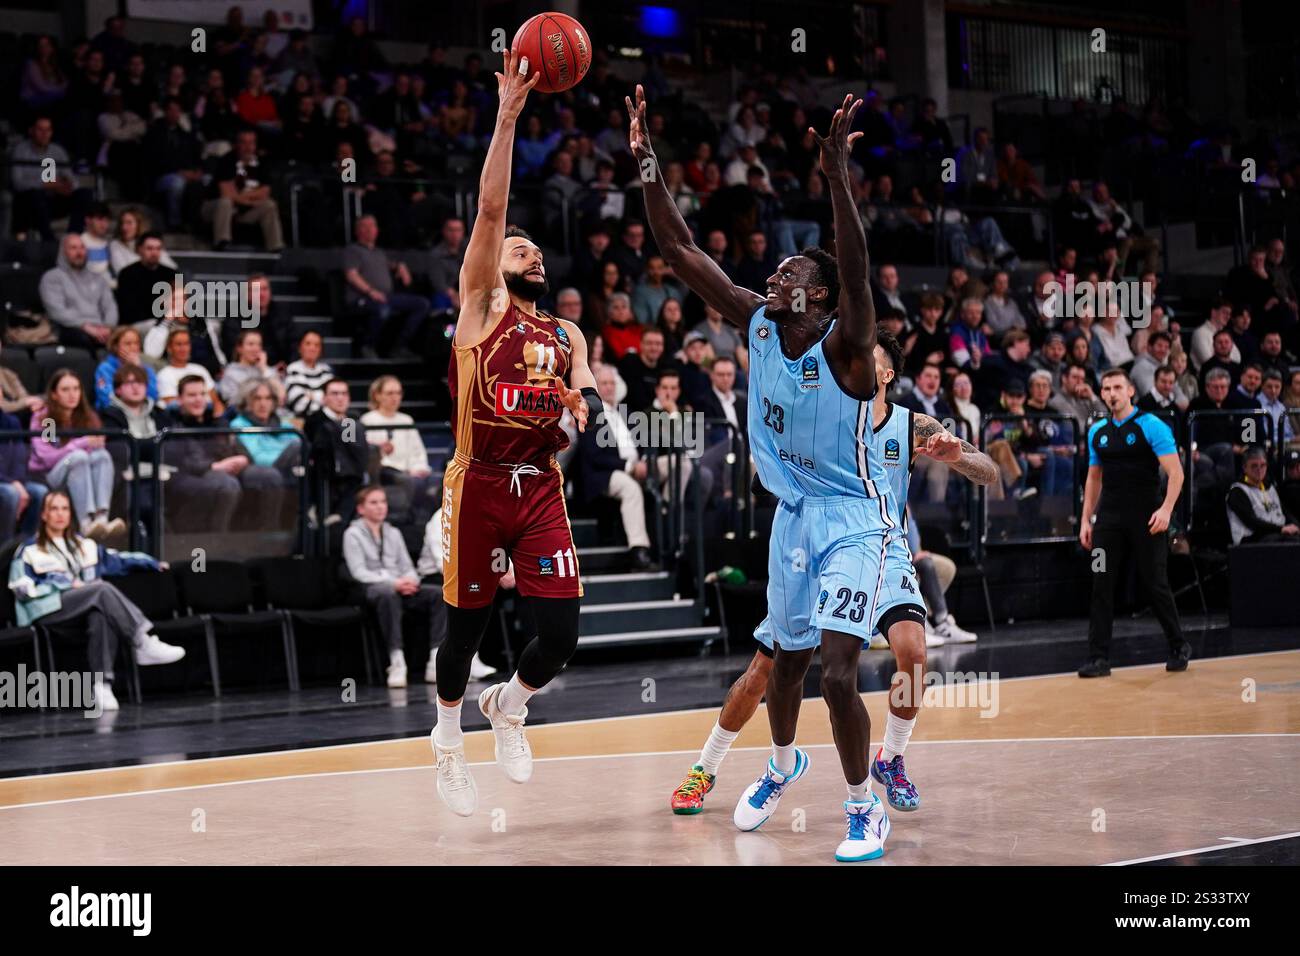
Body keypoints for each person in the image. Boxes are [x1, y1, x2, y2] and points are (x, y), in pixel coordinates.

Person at [635, 85, 903, 861]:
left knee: (840, 674)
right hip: (792, 519)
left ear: (815, 295)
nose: (774, 273)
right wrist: (647, 158)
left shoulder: (847, 348)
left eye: (788, 271)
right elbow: (681, 252)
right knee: (783, 669)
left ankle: (863, 810)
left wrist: (836, 178)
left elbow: (855, 277)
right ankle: (783, 763)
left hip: (855, 517)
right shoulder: (757, 318)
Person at [669, 333, 995, 815]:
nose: (854, 361)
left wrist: (959, 457)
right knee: (766, 669)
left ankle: (893, 756)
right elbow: (764, 478)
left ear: (884, 375)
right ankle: (707, 766)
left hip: (880, 547)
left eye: (868, 357)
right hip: (815, 550)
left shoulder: (911, 424)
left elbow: (988, 469)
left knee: (914, 651)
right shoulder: (822, 417)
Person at [430, 51, 599, 819]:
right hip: (477, 481)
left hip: (539, 487)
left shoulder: (568, 332)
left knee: (559, 635)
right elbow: (492, 213)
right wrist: (507, 115)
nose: (528, 248)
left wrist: (582, 407)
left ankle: (512, 705)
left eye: (536, 247)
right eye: (515, 246)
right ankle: (445, 739)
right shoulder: (481, 307)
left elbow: (586, 405)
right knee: (465, 627)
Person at [8, 491, 185, 712]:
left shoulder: (85, 546)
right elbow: (21, 589)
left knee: (100, 613)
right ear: (44, 515)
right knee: (100, 591)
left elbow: (118, 560)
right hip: (47, 610)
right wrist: (65, 586)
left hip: (80, 611)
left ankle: (102, 685)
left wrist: (151, 562)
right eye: (54, 509)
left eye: (64, 509)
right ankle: (141, 641)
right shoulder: (29, 550)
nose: (60, 514)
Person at [1079, 369, 1190, 678]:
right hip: (1109, 520)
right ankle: (1098, 658)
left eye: (1118, 387)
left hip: (1147, 516)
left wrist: (1167, 510)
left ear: (1130, 391)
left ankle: (1178, 645)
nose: (1112, 393)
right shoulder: (1097, 431)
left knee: (1155, 582)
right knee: (1101, 582)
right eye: (1107, 388)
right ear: (1101, 394)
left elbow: (1176, 473)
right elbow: (1093, 477)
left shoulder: (1151, 425)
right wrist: (1086, 519)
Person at [343, 485, 443, 688]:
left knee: (439, 594)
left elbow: (407, 566)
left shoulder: (393, 532)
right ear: (361, 509)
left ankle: (437, 660)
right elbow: (359, 572)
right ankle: (396, 661)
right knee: (388, 594)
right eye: (374, 502)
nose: (380, 507)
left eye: (383, 502)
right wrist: (394, 583)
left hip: (401, 585)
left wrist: (410, 581)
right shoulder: (352, 534)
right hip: (372, 588)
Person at [28, 370, 122, 541]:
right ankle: (86, 523)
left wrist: (93, 444)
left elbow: (95, 448)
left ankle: (101, 519)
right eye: (65, 390)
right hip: (49, 475)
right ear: (54, 395)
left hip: (82, 471)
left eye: (76, 389)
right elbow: (48, 458)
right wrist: (82, 443)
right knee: (79, 457)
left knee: (101, 455)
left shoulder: (88, 416)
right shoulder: (47, 419)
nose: (72, 394)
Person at [343, 215, 431, 359]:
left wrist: (400, 266)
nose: (370, 229)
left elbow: (390, 265)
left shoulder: (379, 252)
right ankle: (367, 346)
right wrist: (370, 291)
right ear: (357, 230)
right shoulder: (353, 251)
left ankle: (399, 346)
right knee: (383, 309)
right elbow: (351, 275)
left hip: (386, 297)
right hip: (362, 298)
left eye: (373, 226)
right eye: (365, 226)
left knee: (422, 304)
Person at [361, 375, 434, 523]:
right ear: (377, 395)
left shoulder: (406, 420)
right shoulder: (367, 420)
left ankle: (415, 523)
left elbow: (417, 451)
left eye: (398, 393)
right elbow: (367, 455)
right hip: (384, 471)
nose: (395, 398)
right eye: (390, 393)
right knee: (408, 481)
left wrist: (418, 467)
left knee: (422, 480)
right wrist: (380, 450)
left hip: (408, 470)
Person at [229, 379, 301, 528]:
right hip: (260, 470)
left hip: (287, 469)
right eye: (257, 398)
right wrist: (286, 452)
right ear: (247, 402)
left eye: (268, 398)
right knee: (297, 445)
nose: (263, 404)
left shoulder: (283, 425)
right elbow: (259, 458)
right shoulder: (239, 424)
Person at [304, 378, 370, 522]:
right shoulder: (316, 419)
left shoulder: (351, 420)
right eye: (334, 394)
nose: (340, 398)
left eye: (344, 394)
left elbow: (353, 449)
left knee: (359, 474)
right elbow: (317, 449)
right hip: (325, 474)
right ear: (324, 398)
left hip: (349, 474)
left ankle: (341, 516)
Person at [40, 233, 119, 351]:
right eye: (73, 248)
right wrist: (85, 326)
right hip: (68, 328)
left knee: (127, 338)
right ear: (63, 252)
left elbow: (110, 307)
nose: (79, 252)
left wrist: (108, 327)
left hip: (100, 328)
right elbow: (57, 311)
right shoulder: (52, 277)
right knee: (84, 339)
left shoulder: (98, 278)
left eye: (82, 247)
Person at [1226, 446, 1300, 545]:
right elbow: (1252, 522)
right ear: (1244, 468)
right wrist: (1281, 529)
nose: (1259, 469)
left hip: (1277, 534)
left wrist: (1296, 526)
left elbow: (1284, 511)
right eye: (1254, 466)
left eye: (1263, 465)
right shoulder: (1237, 491)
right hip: (1251, 539)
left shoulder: (1269, 487)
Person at [0, 410, 46, 541]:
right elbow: (46, 455)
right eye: (65, 389)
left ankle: (26, 545)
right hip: (9, 481)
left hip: (13, 480)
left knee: (39, 492)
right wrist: (12, 482)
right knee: (11, 493)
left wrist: (17, 481)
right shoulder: (46, 418)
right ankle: (5, 549)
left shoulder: (11, 422)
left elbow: (19, 457)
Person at [156, 328, 223, 412]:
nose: (183, 348)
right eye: (179, 344)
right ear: (169, 348)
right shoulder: (164, 375)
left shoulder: (200, 369)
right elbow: (172, 406)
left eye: (186, 344)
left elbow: (216, 401)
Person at [94, 326, 158, 410]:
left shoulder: (146, 369)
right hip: (113, 413)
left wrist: (138, 369)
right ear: (115, 346)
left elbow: (153, 397)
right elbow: (106, 398)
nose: (133, 348)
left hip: (142, 412)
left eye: (136, 343)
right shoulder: (105, 368)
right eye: (128, 343)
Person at [282, 330, 333, 419]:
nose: (312, 348)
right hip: (301, 421)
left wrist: (311, 395)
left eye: (317, 345)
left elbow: (333, 400)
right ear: (300, 348)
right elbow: (299, 405)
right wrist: (321, 398)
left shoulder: (326, 371)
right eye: (308, 344)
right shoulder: (293, 369)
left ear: (321, 350)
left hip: (326, 422)